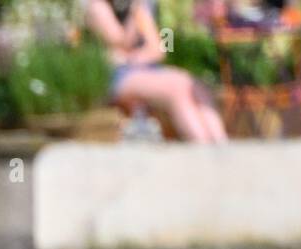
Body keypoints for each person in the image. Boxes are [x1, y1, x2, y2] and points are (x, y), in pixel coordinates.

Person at [87, 0, 228, 142]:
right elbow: (122, 42)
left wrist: (135, 54)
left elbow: (158, 50)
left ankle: (220, 145)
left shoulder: (136, 7)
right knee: (176, 89)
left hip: (142, 68)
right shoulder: (98, 7)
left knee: (195, 86)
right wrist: (136, 13)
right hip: (117, 75)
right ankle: (202, 145)